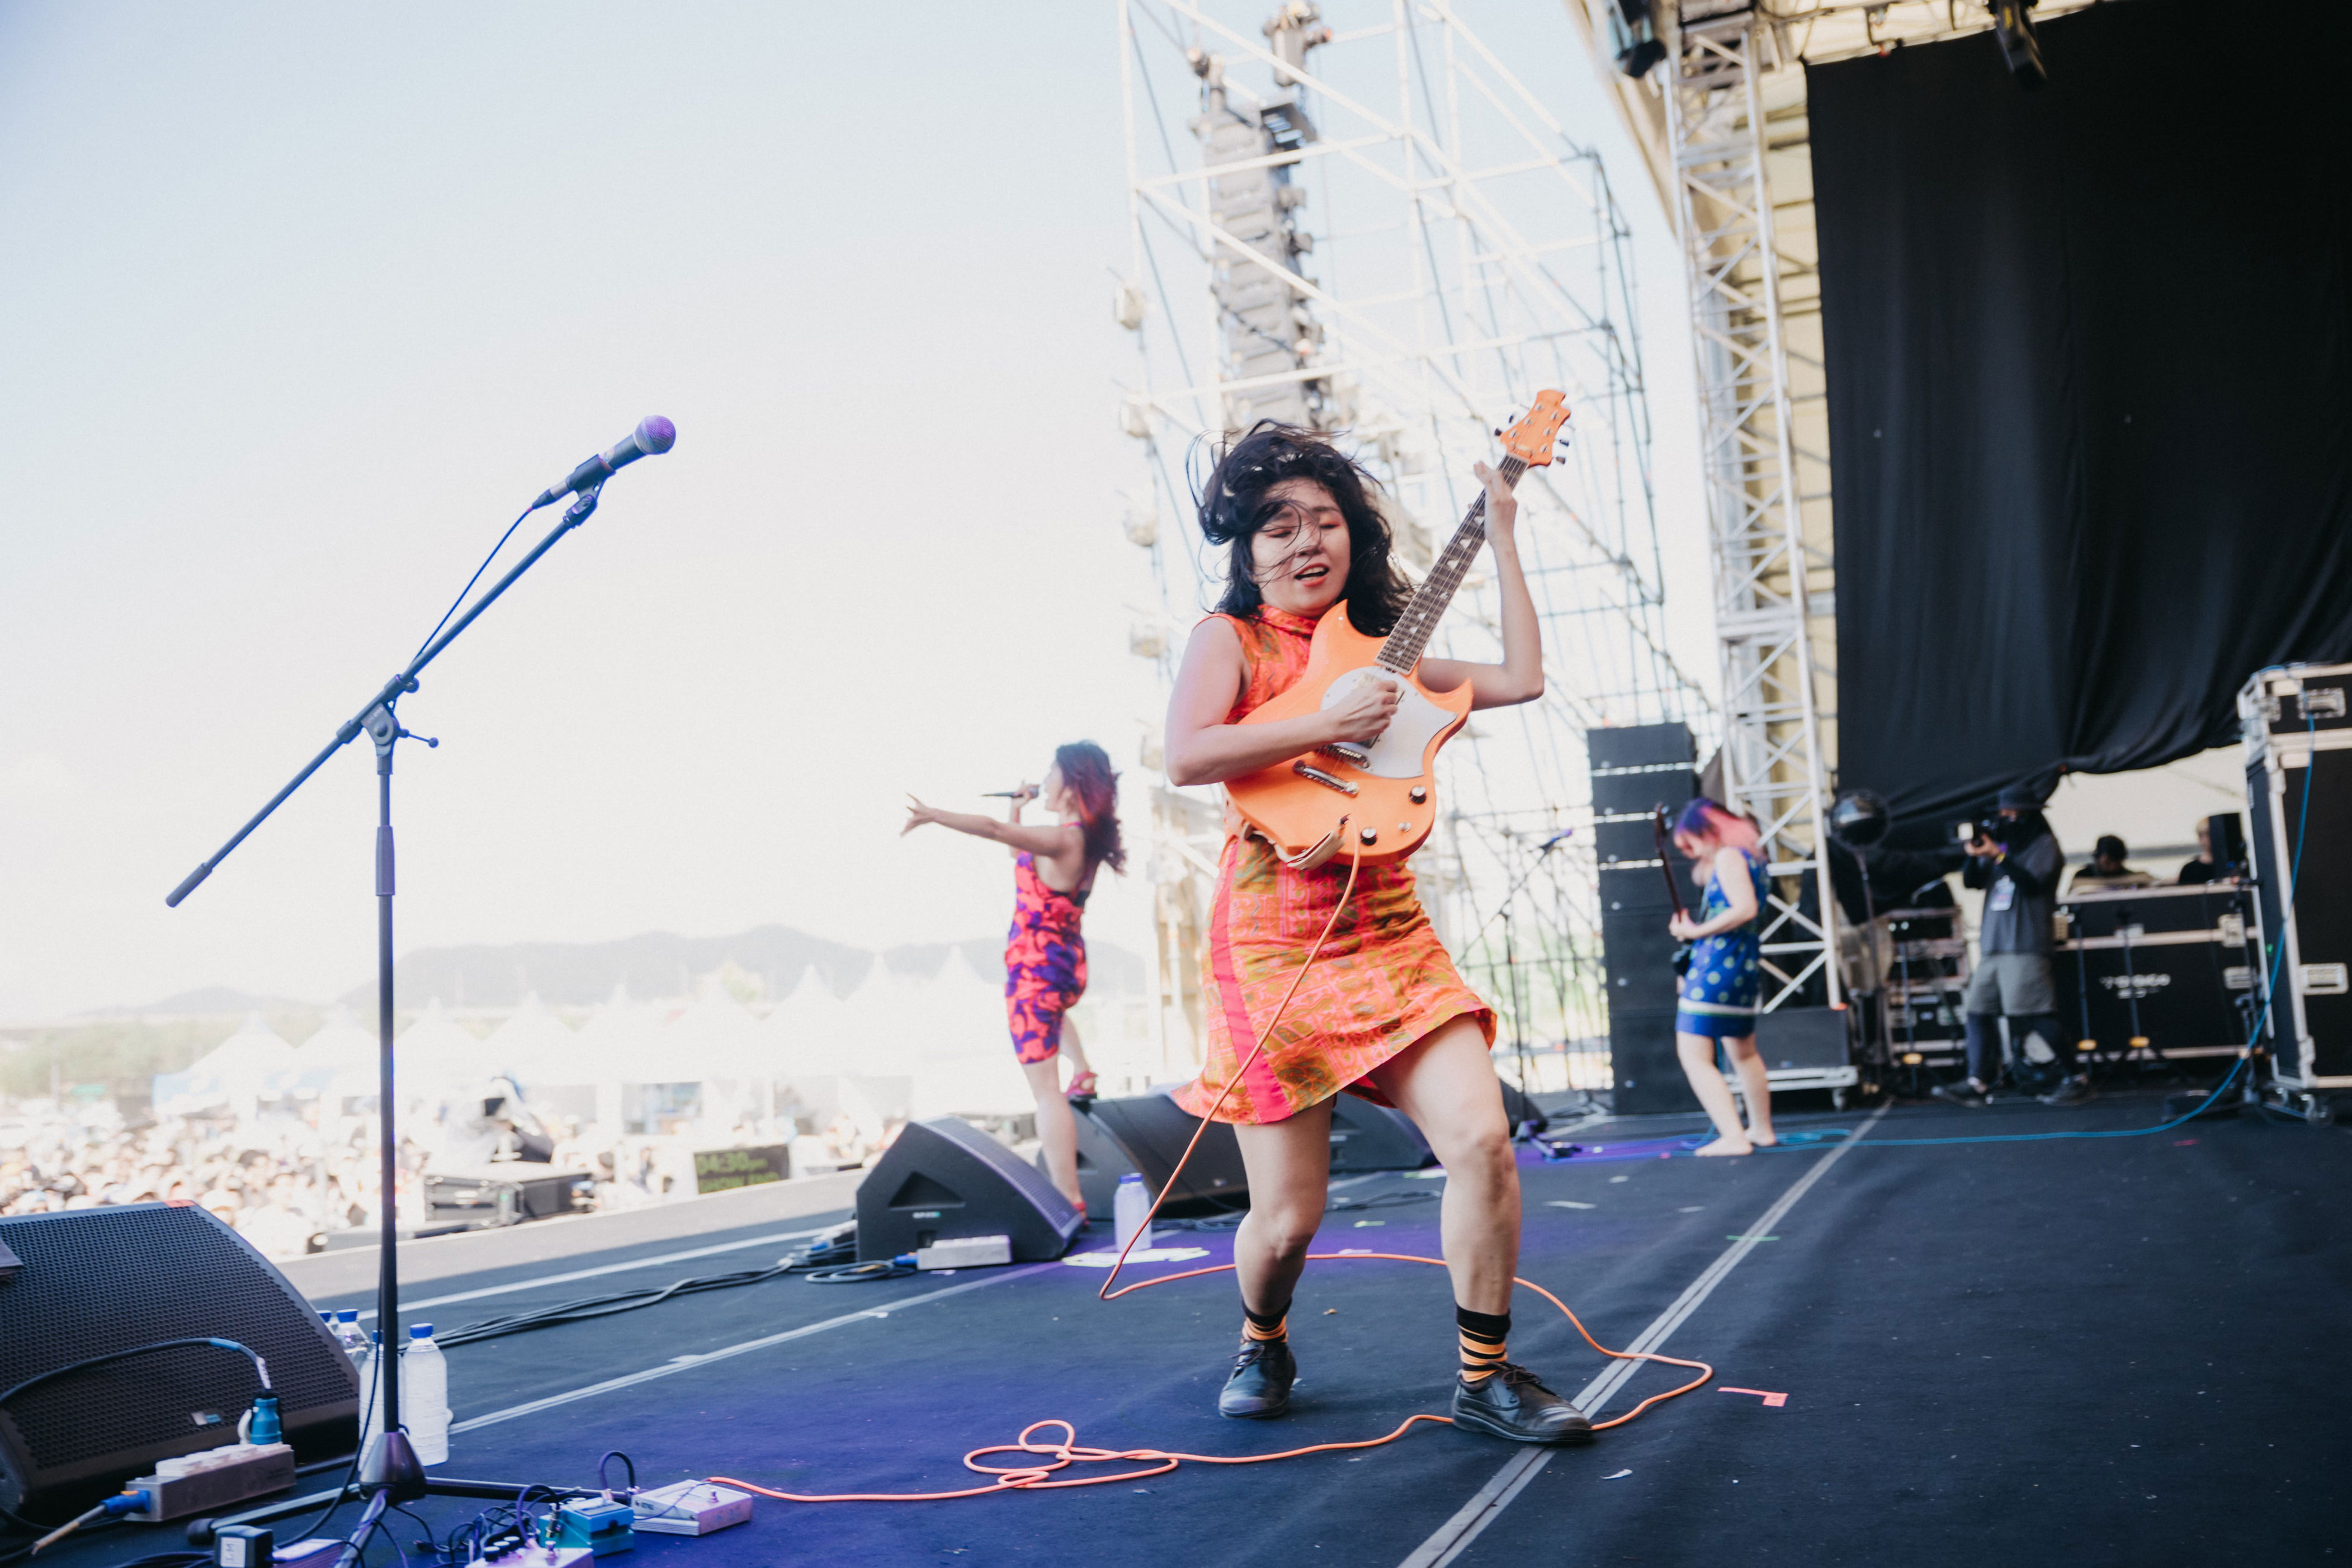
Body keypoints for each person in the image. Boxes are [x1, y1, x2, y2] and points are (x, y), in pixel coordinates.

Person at [1161, 422, 1585, 1446]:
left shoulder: (1385, 648)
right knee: (1289, 1217)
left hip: (1387, 927)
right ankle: (1263, 1334)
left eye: (1326, 520)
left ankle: (1482, 1376)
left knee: (1483, 1140)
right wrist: (1324, 719)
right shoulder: (1232, 639)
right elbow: (1185, 752)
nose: (1308, 541)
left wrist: (1504, 534)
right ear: (1246, 547)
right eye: (1280, 526)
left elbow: (1522, 677)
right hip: (1269, 941)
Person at [903, 742, 1126, 1214]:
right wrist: (1017, 809)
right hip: (1061, 961)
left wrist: (935, 815)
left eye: (1051, 773)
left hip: (1036, 968)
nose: (1043, 780)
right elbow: (1014, 847)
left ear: (1070, 784)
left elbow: (992, 830)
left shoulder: (1065, 837)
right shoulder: (1076, 838)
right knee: (1055, 1025)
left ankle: (1069, 1197)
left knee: (1046, 1093)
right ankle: (1083, 1071)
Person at [1934, 785, 2089, 1108]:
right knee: (1977, 1011)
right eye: (2003, 814)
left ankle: (2077, 1077)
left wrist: (1999, 856)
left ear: (2029, 816)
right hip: (1994, 945)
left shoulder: (2045, 846)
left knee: (2035, 1014)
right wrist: (1976, 855)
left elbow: (2031, 883)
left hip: (2025, 944)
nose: (2006, 820)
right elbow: (1972, 882)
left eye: (2012, 814)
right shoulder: (2003, 848)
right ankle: (1977, 1082)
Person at [1666, 797, 1778, 1156]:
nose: (1689, 852)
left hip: (1718, 967)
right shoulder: (1751, 858)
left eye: (1691, 842)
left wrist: (1694, 933)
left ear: (1709, 830)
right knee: (1743, 1052)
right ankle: (1761, 1130)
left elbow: (1744, 909)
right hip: (1742, 967)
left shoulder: (1730, 857)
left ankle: (1733, 1136)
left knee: (1694, 1054)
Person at [2068, 834, 2155, 892]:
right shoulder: (2082, 876)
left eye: (2118, 862)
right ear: (2098, 858)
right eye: (2108, 862)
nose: (2113, 867)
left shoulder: (2135, 878)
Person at [2176, 815, 2240, 884]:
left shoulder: (2235, 865)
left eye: (2210, 834)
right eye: (2202, 835)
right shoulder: (2189, 870)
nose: (2207, 840)